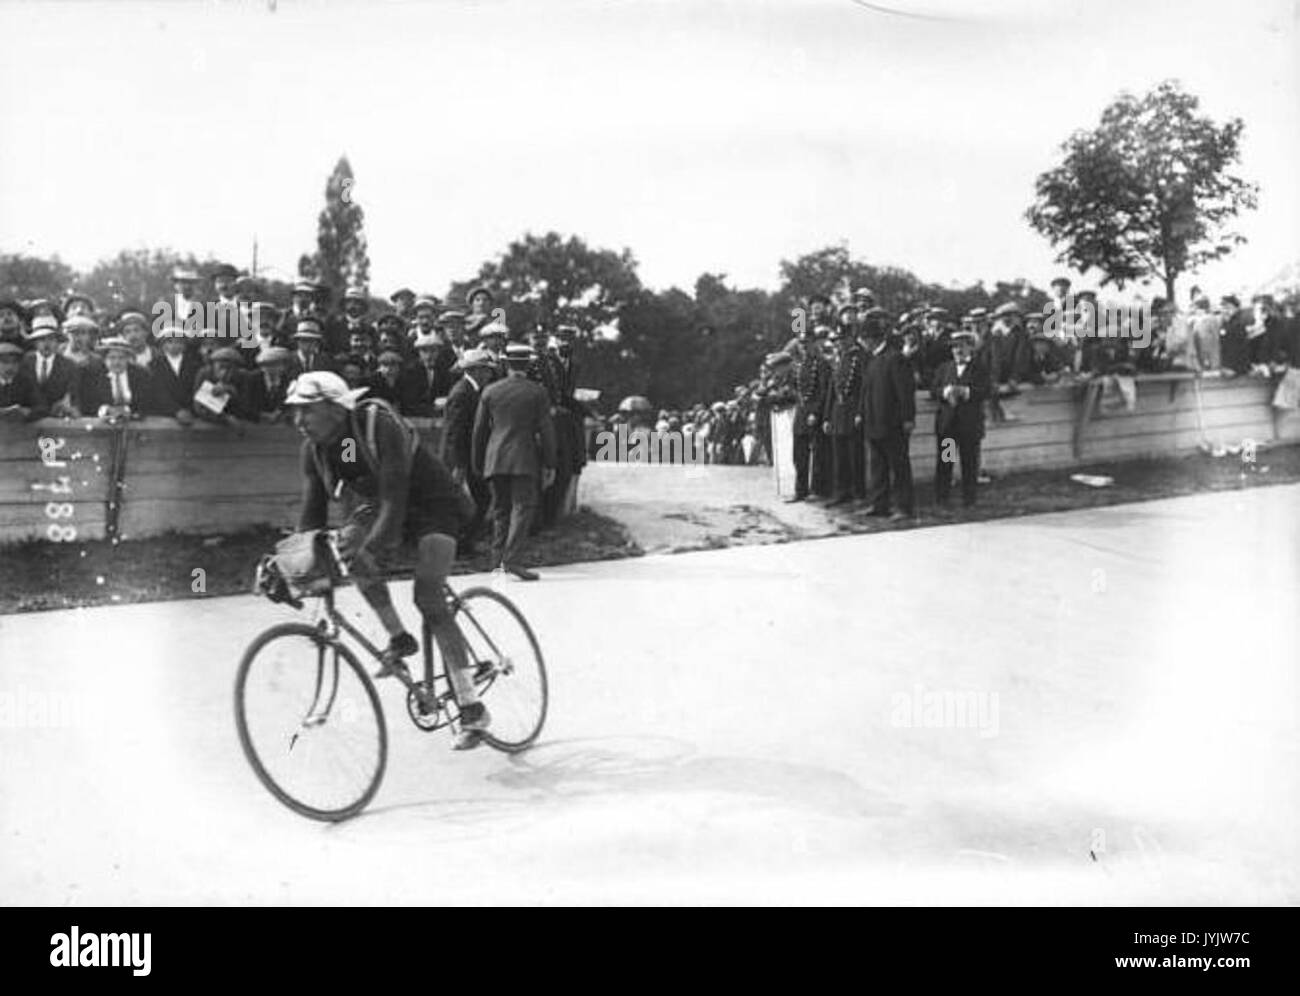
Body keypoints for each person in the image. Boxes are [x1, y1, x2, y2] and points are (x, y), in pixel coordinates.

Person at [285, 371, 488, 749]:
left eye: (306, 412)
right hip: (377, 506)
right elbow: (311, 517)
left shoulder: (378, 424)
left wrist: (372, 549)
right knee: (344, 546)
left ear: (334, 407)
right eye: (294, 413)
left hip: (433, 505)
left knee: (428, 596)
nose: (298, 422)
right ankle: (400, 638)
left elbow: (395, 500)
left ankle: (471, 704)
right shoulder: (317, 449)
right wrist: (294, 566)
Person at [471, 343, 557, 580]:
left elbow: (478, 432)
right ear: (528, 365)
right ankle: (513, 561)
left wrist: (477, 462)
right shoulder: (537, 392)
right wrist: (551, 463)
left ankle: (496, 562)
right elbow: (546, 431)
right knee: (523, 508)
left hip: (494, 458)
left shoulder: (490, 391)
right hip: (523, 458)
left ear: (506, 365)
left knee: (500, 510)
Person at [861, 318, 916, 521]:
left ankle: (904, 507)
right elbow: (866, 393)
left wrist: (908, 418)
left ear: (871, 339)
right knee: (878, 467)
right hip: (874, 423)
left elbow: (905, 392)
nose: (863, 343)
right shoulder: (872, 360)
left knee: (899, 466)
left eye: (864, 339)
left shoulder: (895, 358)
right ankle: (879, 505)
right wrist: (862, 415)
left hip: (892, 424)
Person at [442, 348, 497, 555]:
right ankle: (462, 543)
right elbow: (454, 433)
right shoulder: (462, 393)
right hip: (462, 459)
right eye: (485, 370)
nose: (489, 374)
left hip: (470, 457)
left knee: (479, 500)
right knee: (477, 500)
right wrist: (459, 465)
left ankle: (465, 543)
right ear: (474, 370)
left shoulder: (472, 391)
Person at [931, 331, 988, 511]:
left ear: (970, 347)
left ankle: (969, 500)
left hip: (969, 427)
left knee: (969, 464)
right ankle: (942, 499)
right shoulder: (944, 368)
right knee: (945, 463)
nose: (958, 350)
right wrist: (945, 392)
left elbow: (987, 390)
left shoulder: (980, 368)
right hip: (948, 427)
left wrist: (966, 392)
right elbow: (934, 390)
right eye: (955, 346)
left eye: (962, 346)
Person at [821, 323, 866, 506]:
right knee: (839, 456)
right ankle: (842, 492)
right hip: (837, 412)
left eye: (840, 340)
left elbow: (864, 388)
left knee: (855, 455)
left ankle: (858, 493)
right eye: (835, 341)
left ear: (849, 339)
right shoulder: (838, 360)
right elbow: (832, 391)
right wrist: (826, 417)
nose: (837, 344)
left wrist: (860, 412)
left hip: (852, 409)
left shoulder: (859, 358)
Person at [786, 322, 831, 501]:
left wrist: (817, 412)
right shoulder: (800, 365)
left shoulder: (821, 364)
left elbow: (824, 391)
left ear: (814, 344)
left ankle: (818, 491)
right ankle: (800, 490)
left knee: (819, 454)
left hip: (814, 412)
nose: (804, 347)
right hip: (802, 411)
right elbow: (798, 390)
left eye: (807, 344)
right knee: (799, 454)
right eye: (801, 344)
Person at [82, 336, 153, 421]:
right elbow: (87, 402)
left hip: (135, 423)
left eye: (121, 358)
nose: (116, 362)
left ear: (128, 359)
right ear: (104, 359)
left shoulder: (141, 375)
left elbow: (147, 402)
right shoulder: (92, 375)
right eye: (112, 358)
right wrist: (104, 410)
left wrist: (128, 411)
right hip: (101, 424)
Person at [22, 316, 81, 417]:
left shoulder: (68, 365)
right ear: (35, 342)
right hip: (27, 418)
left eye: (51, 339)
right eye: (41, 339)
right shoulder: (24, 361)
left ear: (58, 342)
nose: (46, 344)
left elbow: (74, 396)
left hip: (56, 419)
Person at [148, 324, 200, 424]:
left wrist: (189, 409)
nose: (174, 346)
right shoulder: (154, 365)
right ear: (162, 345)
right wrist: (176, 410)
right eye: (169, 342)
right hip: (164, 415)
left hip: (191, 413)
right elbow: (158, 391)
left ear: (184, 345)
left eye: (178, 342)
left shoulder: (194, 364)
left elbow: (196, 389)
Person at [0, 341, 46, 422]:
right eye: (5, 362)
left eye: (15, 362)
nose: (10, 367)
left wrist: (27, 412)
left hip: (18, 429)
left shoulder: (26, 382)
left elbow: (42, 407)